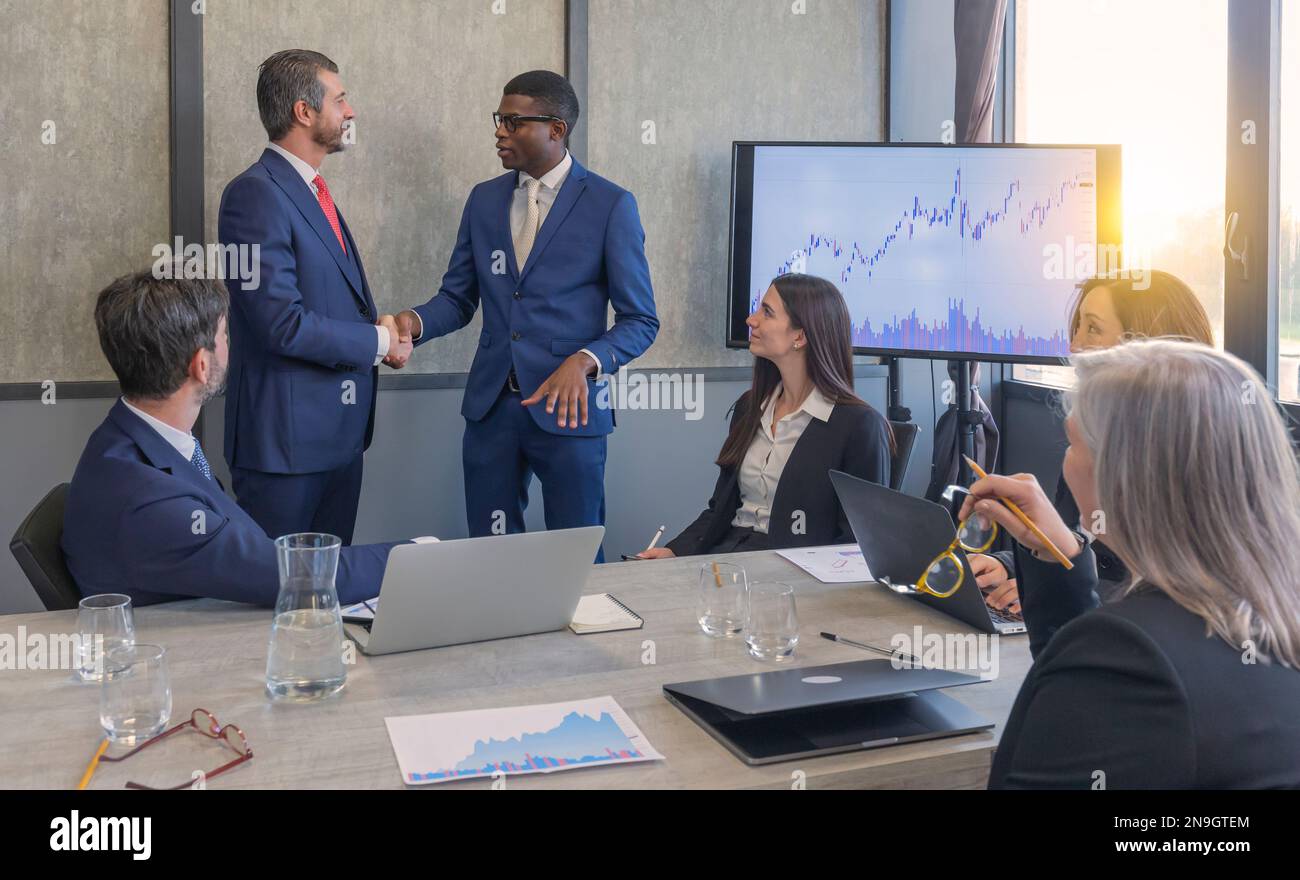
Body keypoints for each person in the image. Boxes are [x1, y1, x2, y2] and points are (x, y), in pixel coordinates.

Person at [958, 339, 1300, 788]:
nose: (1065, 461)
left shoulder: (1127, 659)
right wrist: (1056, 553)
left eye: (1073, 442)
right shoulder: (1267, 618)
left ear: (1122, 475)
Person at [389, 70, 657, 561]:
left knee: (576, 558)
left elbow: (641, 320)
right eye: (499, 119)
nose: (499, 131)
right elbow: (457, 298)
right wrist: (414, 322)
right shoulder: (484, 199)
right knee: (489, 554)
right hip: (492, 409)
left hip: (570, 410)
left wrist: (585, 360)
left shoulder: (610, 205)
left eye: (513, 121)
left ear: (556, 129)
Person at [62, 271, 404, 607]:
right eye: (225, 335)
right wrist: (417, 554)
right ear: (200, 364)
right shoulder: (150, 500)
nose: (231, 345)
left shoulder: (125, 437)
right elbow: (295, 577)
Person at [217, 49, 412, 545]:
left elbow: (330, 303)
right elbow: (280, 323)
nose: (351, 112)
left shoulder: (311, 189)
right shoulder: (255, 194)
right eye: (340, 99)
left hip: (337, 443)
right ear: (304, 112)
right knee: (276, 603)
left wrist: (381, 334)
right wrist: (376, 341)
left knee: (327, 598)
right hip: (284, 450)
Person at [970, 270, 1216, 616]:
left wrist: (1051, 590)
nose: (1074, 345)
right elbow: (1079, 547)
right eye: (1077, 328)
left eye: (1093, 328)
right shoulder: (1088, 445)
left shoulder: (1203, 461)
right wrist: (1009, 568)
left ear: (1145, 345)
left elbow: (1179, 598)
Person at [640, 274, 891, 558]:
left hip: (796, 576)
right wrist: (673, 551)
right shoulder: (750, 407)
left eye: (767, 312)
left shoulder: (858, 425)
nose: (751, 320)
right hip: (726, 562)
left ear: (800, 336)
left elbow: (858, 543)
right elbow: (720, 509)